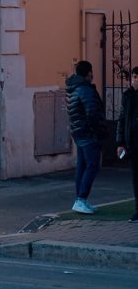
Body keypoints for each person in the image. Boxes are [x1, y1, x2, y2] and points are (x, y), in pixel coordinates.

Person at [65, 59, 107, 214]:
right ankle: (81, 199)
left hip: (78, 132)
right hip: (88, 134)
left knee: (82, 166)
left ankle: (80, 200)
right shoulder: (86, 90)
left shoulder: (72, 88)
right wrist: (99, 131)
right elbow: (92, 113)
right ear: (89, 73)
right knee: (92, 166)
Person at [116, 66, 138, 222]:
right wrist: (120, 142)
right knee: (136, 178)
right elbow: (122, 119)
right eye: (134, 77)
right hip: (133, 143)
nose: (135, 80)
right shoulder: (128, 95)